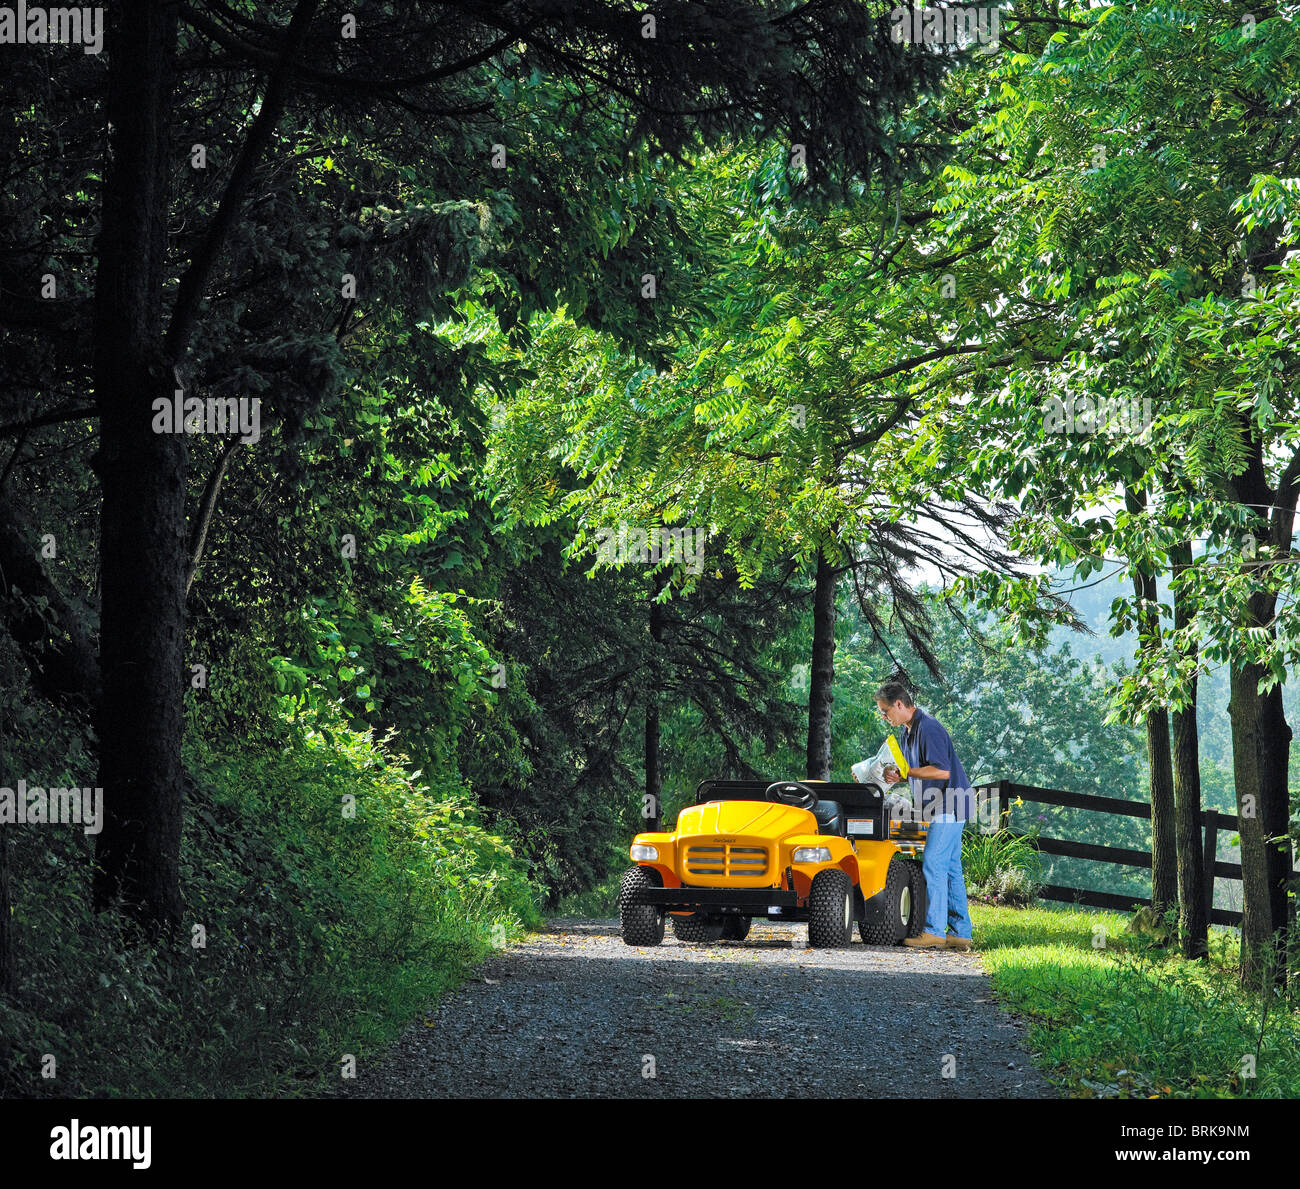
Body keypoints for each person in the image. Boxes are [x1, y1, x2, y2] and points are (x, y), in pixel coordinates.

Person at [875, 680, 974, 951]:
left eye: (885, 711)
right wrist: (896, 775)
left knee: (933, 863)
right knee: (952, 869)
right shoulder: (908, 732)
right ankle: (961, 933)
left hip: (950, 803)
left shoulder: (928, 727)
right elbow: (916, 771)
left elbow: (942, 772)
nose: (884, 717)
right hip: (944, 805)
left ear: (899, 704)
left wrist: (907, 773)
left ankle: (933, 932)